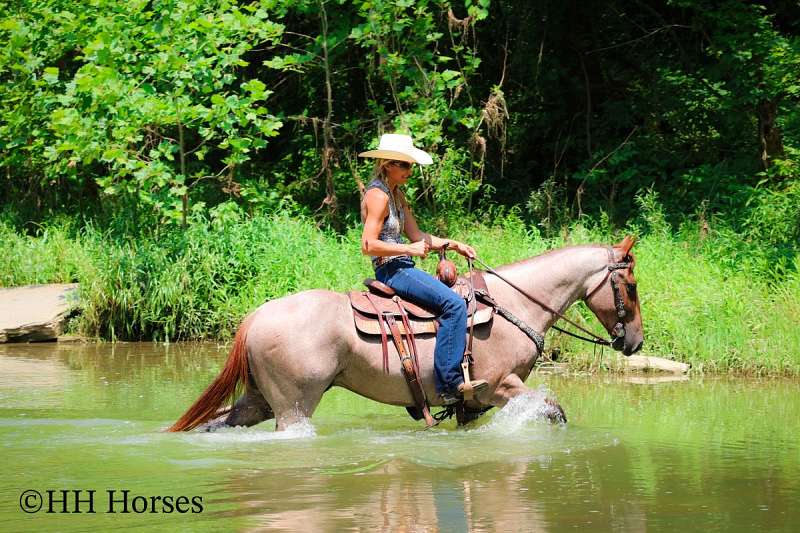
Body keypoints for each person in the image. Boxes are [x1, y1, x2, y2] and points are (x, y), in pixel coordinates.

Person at [359, 133, 488, 404]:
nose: (410, 170)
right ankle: (449, 384)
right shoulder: (377, 196)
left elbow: (418, 236)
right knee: (454, 305)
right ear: (387, 165)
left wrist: (454, 245)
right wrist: (408, 250)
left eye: (410, 165)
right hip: (391, 269)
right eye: (404, 165)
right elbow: (368, 244)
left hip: (402, 264)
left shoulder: (397, 195)